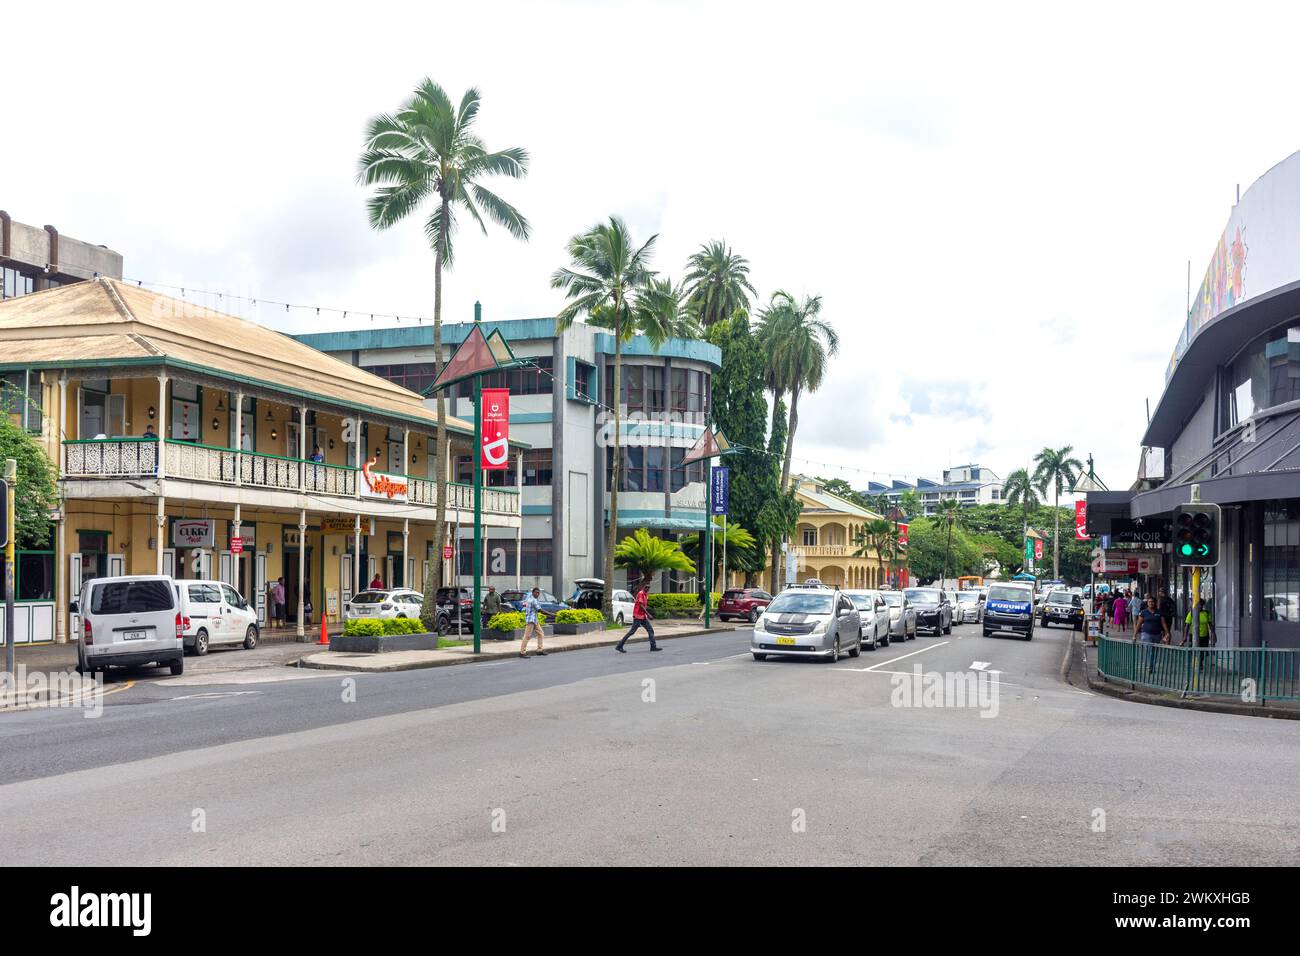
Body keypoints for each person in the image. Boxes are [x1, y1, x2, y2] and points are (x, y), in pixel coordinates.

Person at [616, 584, 660, 653]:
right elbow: (641, 605)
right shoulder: (641, 594)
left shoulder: (645, 595)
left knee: (650, 630)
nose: (647, 589)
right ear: (643, 587)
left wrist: (646, 614)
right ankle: (619, 646)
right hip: (638, 616)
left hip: (643, 616)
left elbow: (644, 606)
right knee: (632, 632)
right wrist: (648, 614)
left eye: (648, 587)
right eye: (646, 587)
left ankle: (653, 647)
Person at [1134, 595, 1169, 674]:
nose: (1151, 603)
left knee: (1155, 650)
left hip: (1157, 634)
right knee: (1150, 649)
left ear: (1155, 603)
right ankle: (1150, 666)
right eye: (1149, 602)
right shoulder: (1144, 612)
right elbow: (1139, 623)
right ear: (1147, 603)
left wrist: (1167, 632)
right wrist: (1135, 634)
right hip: (1146, 633)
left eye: (1152, 602)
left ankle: (1151, 665)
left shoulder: (1159, 612)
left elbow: (1163, 623)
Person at [1182, 599, 1216, 670]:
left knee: (1203, 651)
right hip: (1194, 636)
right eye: (1198, 604)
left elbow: (1210, 624)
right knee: (1195, 650)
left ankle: (1200, 662)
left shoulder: (1206, 613)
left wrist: (1213, 634)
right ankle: (1196, 662)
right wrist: (1185, 637)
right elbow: (1187, 626)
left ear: (1202, 605)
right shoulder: (1191, 613)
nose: (1199, 606)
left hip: (1204, 635)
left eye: (1200, 604)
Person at [520, 586, 547, 657]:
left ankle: (539, 650)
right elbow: (540, 610)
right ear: (533, 593)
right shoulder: (533, 600)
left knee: (541, 634)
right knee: (527, 636)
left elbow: (524, 605)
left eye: (538, 593)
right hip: (531, 620)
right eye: (536, 592)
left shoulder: (529, 598)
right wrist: (551, 614)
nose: (537, 594)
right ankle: (522, 652)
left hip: (535, 620)